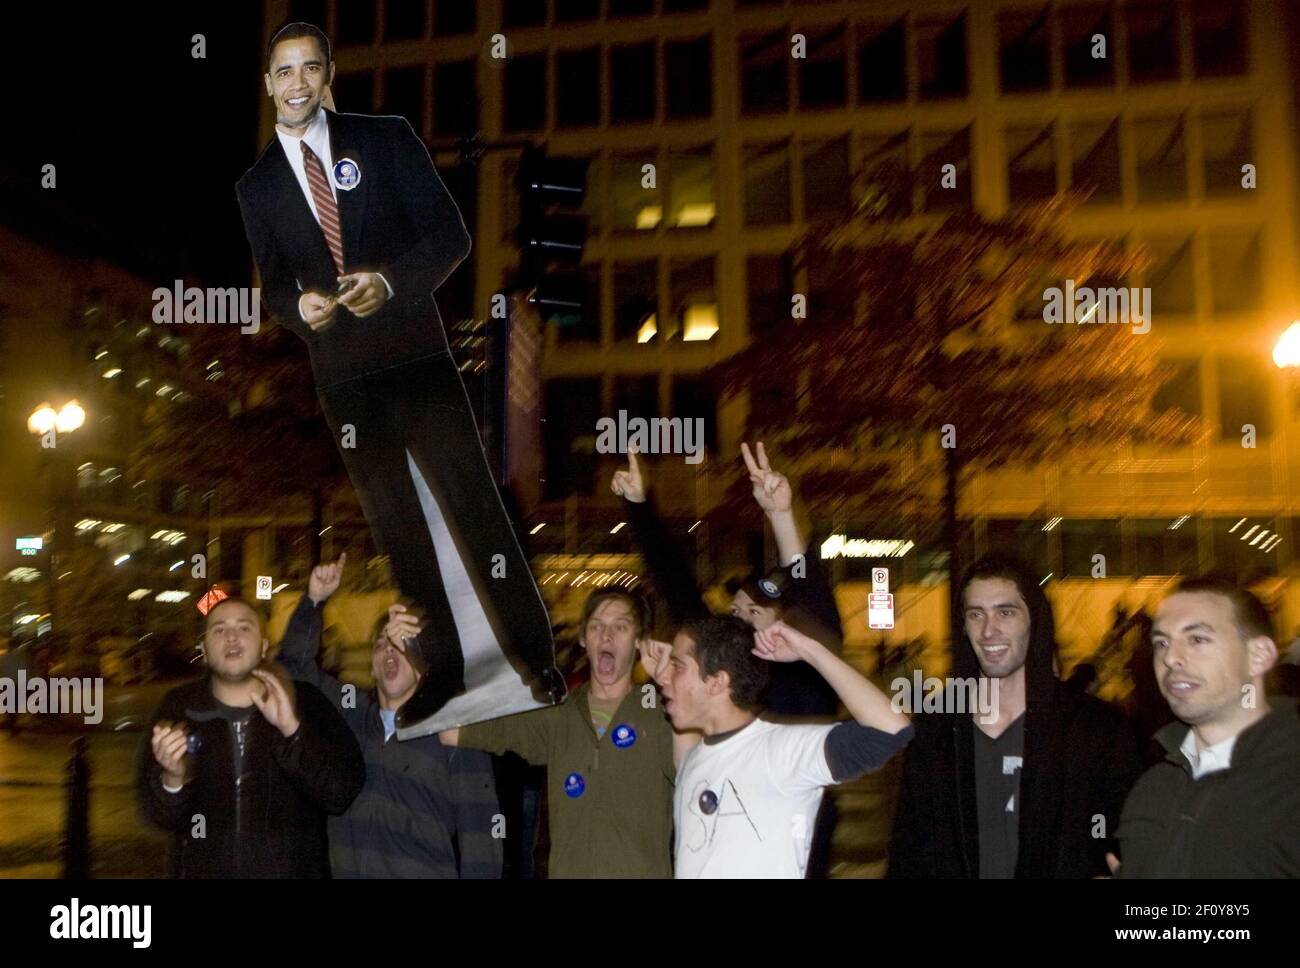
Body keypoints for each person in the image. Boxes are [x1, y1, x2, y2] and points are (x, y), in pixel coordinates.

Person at [235, 21, 562, 735]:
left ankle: (535, 656)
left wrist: (389, 282)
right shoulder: (256, 186)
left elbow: (450, 236)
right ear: (268, 86)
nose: (296, 84)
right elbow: (272, 284)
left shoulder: (384, 139)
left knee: (475, 504)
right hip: (344, 380)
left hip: (415, 358)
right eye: (282, 72)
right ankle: (440, 668)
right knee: (400, 532)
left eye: (309, 70)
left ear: (328, 78)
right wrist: (298, 308)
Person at [390, 589, 686, 878]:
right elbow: (451, 729)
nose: (606, 636)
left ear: (640, 641)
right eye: (596, 626)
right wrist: (416, 660)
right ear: (583, 638)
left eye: (620, 627)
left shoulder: (663, 713)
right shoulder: (558, 715)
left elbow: (692, 768)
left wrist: (671, 684)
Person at [888, 554, 1142, 878]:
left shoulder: (1095, 731)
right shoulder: (936, 732)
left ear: (1033, 620)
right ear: (963, 626)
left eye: (1005, 612)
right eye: (975, 614)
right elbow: (907, 853)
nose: (989, 630)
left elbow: (1126, 843)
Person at [276, 554, 503, 878]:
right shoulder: (351, 711)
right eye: (381, 644)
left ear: (422, 665)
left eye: (402, 645)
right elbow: (294, 671)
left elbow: (482, 835)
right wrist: (313, 600)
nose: (389, 651)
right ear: (371, 664)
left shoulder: (451, 731)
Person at [656, 615, 912, 878]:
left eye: (676, 666)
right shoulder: (694, 759)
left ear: (716, 681)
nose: (663, 676)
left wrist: (810, 651)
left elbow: (892, 730)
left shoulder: (780, 752)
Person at [136, 597, 364, 877]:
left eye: (244, 628)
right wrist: (173, 779)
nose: (231, 636)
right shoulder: (178, 708)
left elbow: (341, 794)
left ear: (264, 646)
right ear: (205, 650)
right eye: (218, 630)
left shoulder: (307, 702)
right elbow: (160, 817)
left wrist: (293, 731)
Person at [1112, 576, 1300, 877]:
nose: (1170, 658)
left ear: (1259, 656)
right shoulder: (1153, 787)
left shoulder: (1289, 781)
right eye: (1161, 642)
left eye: (1197, 639)